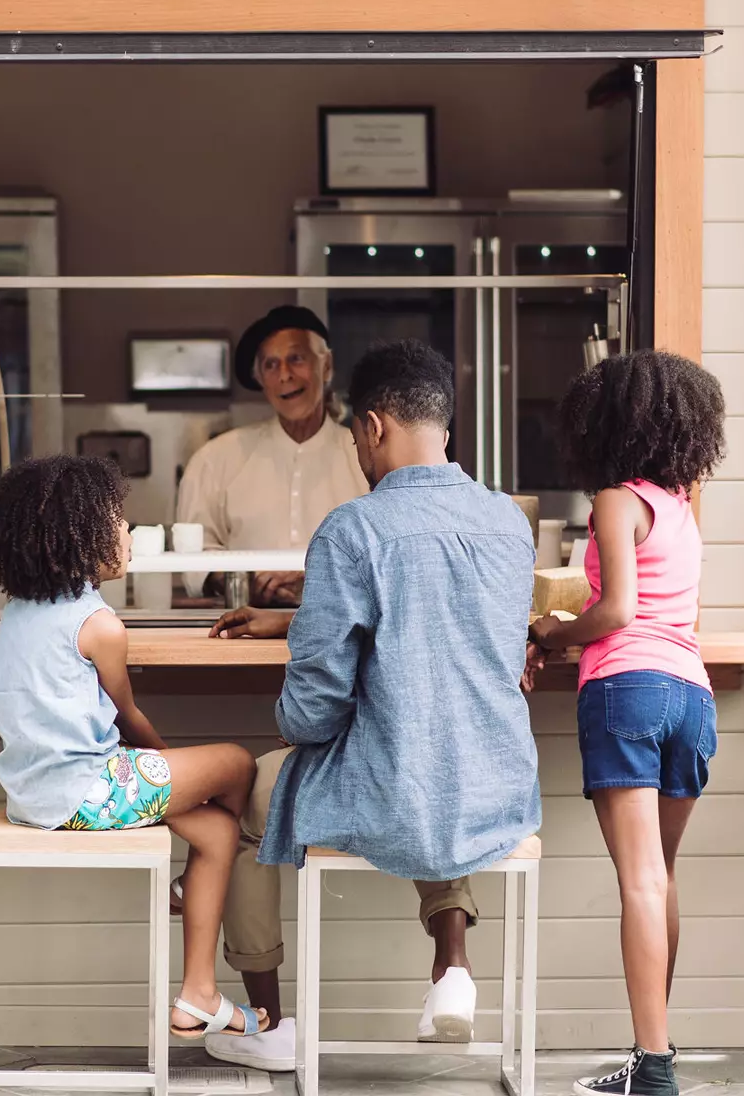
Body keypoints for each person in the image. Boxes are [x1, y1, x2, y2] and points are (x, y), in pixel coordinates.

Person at [199, 340, 541, 1072]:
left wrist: (298, 717)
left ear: (376, 426)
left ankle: (270, 1021)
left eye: (355, 435)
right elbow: (441, 622)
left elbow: (314, 711)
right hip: (499, 786)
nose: (357, 449)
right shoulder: (509, 523)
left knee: (240, 802)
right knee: (429, 742)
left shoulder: (354, 530)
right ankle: (452, 967)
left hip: (395, 785)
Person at [0, 454, 269, 1042]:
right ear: (80, 536)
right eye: (117, 520)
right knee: (236, 764)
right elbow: (129, 717)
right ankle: (190, 898)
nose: (129, 532)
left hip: (32, 792)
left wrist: (170, 774)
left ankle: (198, 996)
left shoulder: (17, 612)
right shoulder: (99, 624)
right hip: (89, 790)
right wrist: (181, 769)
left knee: (215, 834)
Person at [523, 351, 725, 1096]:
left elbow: (616, 613)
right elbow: (673, 611)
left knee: (639, 882)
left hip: (628, 688)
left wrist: (547, 632)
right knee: (661, 877)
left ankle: (656, 1067)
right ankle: (653, 1052)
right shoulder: (679, 506)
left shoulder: (616, 499)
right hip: (691, 697)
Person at [175, 305, 367, 607]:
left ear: (326, 366)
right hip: (244, 633)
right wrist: (244, 582)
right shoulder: (216, 459)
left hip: (346, 637)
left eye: (296, 359)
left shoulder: (364, 455)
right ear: (261, 380)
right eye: (270, 365)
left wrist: (318, 582)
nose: (285, 375)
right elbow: (194, 557)